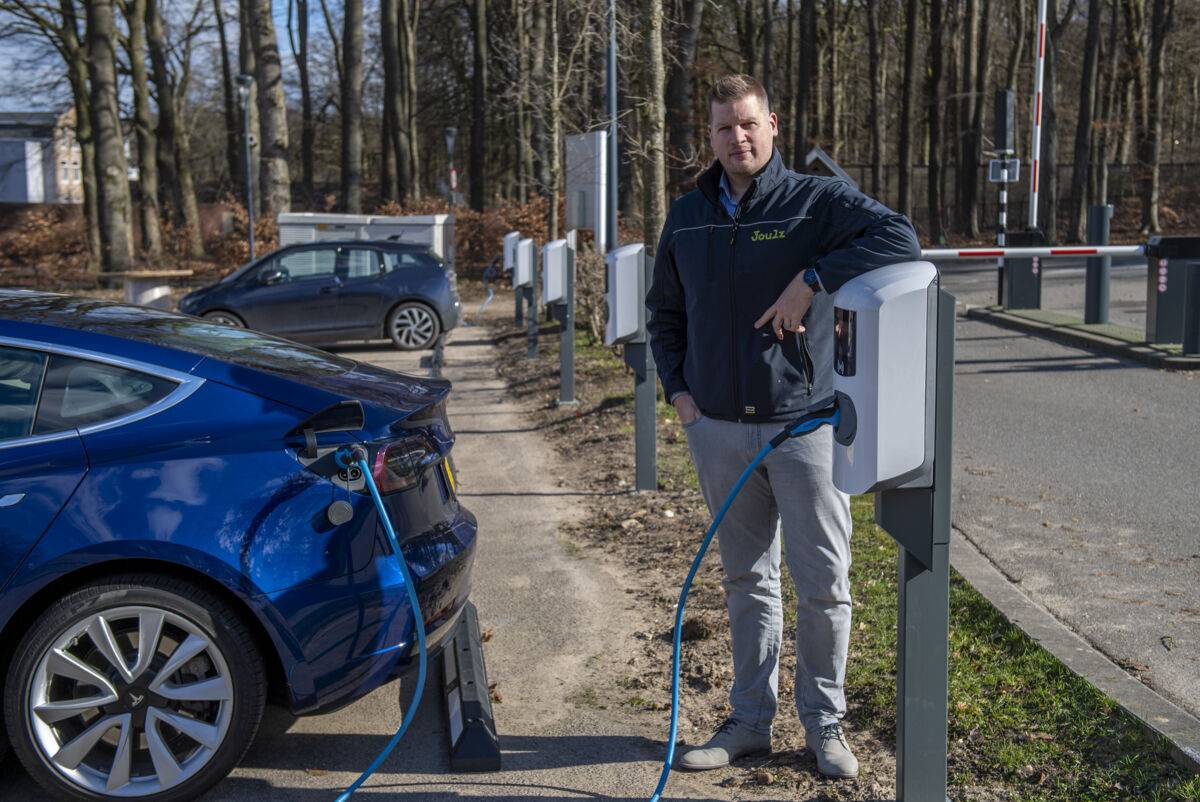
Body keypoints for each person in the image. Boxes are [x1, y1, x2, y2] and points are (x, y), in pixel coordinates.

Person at [646, 73, 920, 779]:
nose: (736, 138)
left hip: (804, 429)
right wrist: (681, 396)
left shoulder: (815, 202)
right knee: (746, 581)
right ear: (707, 137)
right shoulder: (688, 214)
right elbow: (665, 314)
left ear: (773, 123)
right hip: (718, 432)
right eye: (722, 128)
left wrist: (814, 278)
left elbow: (901, 237)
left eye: (747, 124)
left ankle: (825, 726)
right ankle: (748, 722)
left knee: (824, 584)